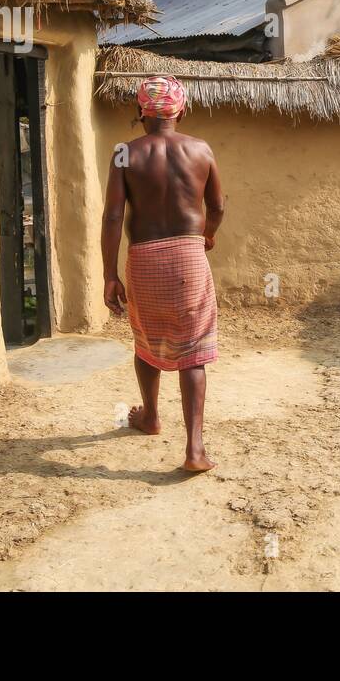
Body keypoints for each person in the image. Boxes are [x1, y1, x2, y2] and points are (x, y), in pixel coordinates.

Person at [101, 75, 224, 472]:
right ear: (180, 110)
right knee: (193, 350)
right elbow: (218, 206)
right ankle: (195, 450)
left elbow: (113, 216)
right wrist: (206, 236)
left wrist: (109, 273)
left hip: (145, 257)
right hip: (189, 255)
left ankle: (151, 416)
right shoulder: (201, 149)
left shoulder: (125, 153)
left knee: (146, 338)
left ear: (141, 112)